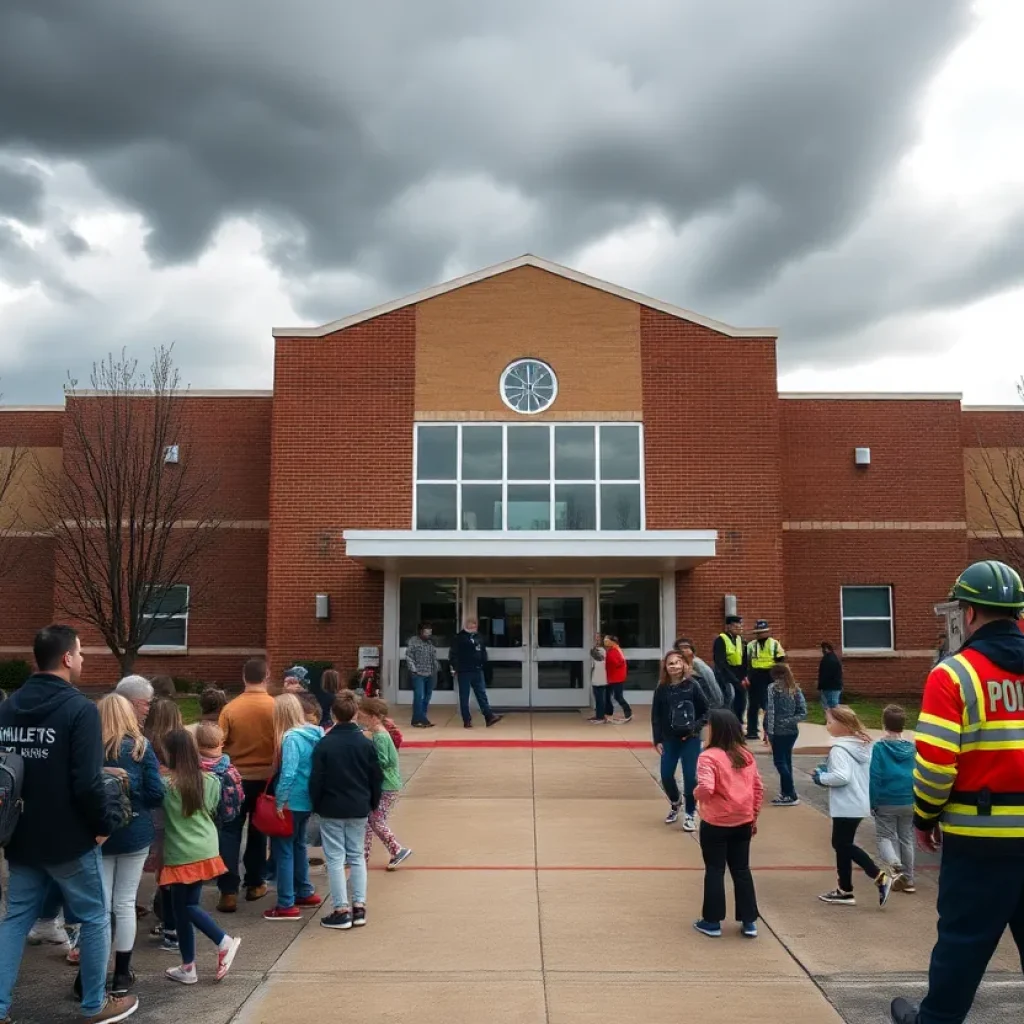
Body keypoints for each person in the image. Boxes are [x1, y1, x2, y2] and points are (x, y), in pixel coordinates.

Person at [891, 560, 1024, 1024]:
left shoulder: (953, 676)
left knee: (962, 949)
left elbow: (935, 766)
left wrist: (925, 818)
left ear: (967, 614)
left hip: (979, 842)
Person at [0, 624, 138, 1024]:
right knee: (94, 915)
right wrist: (104, 823)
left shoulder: (8, 707)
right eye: (79, 653)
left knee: (15, 918)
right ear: (66, 658)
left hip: (21, 833)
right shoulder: (79, 710)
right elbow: (87, 782)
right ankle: (95, 1004)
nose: (82, 659)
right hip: (69, 836)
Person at [159, 730, 242, 985]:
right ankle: (188, 966)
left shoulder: (165, 785)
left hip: (181, 852)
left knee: (185, 907)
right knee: (183, 907)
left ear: (170, 755)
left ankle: (223, 941)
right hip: (206, 847)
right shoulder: (210, 780)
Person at [98, 693, 165, 998]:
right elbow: (155, 792)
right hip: (134, 830)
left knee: (98, 907)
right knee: (124, 903)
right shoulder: (140, 747)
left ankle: (92, 973)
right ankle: (122, 973)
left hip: (97, 834)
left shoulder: (89, 748)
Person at [311, 691, 384, 930]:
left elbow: (316, 779)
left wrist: (316, 804)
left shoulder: (325, 744)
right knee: (356, 856)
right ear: (355, 714)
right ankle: (359, 906)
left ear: (333, 715)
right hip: (358, 806)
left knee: (334, 858)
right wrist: (372, 803)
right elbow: (376, 778)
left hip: (331, 807)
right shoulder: (365, 744)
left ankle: (340, 909)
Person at [813, 705, 893, 908]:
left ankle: (878, 876)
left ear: (843, 726)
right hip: (858, 802)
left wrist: (822, 777)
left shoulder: (840, 749)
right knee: (841, 845)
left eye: (830, 722)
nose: (827, 726)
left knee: (843, 845)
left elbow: (842, 776)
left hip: (846, 804)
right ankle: (845, 890)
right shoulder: (862, 745)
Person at [692, 709, 763, 939]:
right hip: (742, 819)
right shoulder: (745, 754)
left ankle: (712, 921)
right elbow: (757, 788)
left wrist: (696, 795)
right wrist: (753, 815)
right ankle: (749, 920)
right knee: (741, 869)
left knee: (715, 869)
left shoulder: (708, 756)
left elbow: (706, 788)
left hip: (716, 821)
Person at [217, 657, 276, 912]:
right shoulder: (275, 707)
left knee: (229, 832)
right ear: (267, 677)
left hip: (235, 779)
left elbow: (217, 746)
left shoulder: (230, 709)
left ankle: (228, 891)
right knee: (258, 832)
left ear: (244, 677)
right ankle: (255, 883)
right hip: (265, 780)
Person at [264, 693, 323, 920]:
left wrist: (279, 801)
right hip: (308, 799)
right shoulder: (315, 733)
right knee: (299, 845)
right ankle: (304, 890)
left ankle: (286, 903)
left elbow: (288, 772)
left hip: (290, 802)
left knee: (284, 850)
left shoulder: (290, 738)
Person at [651, 650, 709, 833]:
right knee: (666, 775)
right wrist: (657, 739)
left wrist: (695, 728)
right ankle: (676, 802)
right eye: (670, 663)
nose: (674, 666)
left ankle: (691, 813)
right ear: (665, 668)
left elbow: (706, 711)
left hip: (690, 739)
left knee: (691, 778)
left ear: (684, 664)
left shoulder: (693, 685)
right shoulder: (662, 688)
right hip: (669, 739)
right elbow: (656, 716)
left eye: (677, 662)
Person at [359, 697, 413, 870]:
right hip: (385, 784)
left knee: (375, 820)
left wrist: (365, 765)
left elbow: (383, 761)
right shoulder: (377, 733)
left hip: (386, 785)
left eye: (362, 716)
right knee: (370, 820)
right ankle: (362, 855)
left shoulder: (380, 736)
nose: (360, 720)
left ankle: (397, 849)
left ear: (373, 717)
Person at [870, 704, 916, 894]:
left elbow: (875, 776)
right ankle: (910, 879)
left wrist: (873, 801)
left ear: (884, 724)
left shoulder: (880, 748)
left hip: (886, 798)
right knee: (907, 838)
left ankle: (895, 864)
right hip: (908, 798)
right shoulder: (912, 748)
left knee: (884, 836)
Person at [763, 664, 807, 806]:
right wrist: (789, 721)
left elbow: (770, 711)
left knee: (780, 762)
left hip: (778, 731)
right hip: (792, 731)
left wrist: (769, 732)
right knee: (787, 761)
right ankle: (786, 793)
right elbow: (803, 712)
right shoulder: (795, 689)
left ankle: (790, 793)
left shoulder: (772, 688)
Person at [449, 618, 503, 729]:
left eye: (475, 625)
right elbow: (453, 654)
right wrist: (455, 668)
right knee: (464, 696)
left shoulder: (479, 637)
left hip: (477, 670)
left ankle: (489, 716)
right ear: (466, 625)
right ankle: (466, 720)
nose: (474, 627)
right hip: (464, 671)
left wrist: (484, 663)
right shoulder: (459, 638)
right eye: (471, 625)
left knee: (481, 694)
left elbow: (483, 651)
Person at [195, 721, 245, 832]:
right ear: (221, 743)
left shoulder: (193, 768)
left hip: (202, 816)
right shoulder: (230, 770)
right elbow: (239, 794)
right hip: (226, 814)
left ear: (196, 743)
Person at [744, 620, 785, 741]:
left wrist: (779, 676)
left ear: (767, 632)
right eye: (758, 632)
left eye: (762, 632)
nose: (760, 635)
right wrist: (747, 676)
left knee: (768, 703)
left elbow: (781, 659)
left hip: (770, 674)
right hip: (755, 675)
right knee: (753, 704)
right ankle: (752, 731)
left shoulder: (775, 644)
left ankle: (770, 730)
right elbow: (746, 662)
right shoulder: (751, 645)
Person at [675, 638, 724, 709]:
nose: (683, 650)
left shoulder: (697, 663)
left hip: (704, 700)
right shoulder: (677, 663)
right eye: (680, 648)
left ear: (692, 649)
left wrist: (716, 701)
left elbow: (711, 682)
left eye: (686, 647)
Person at [406, 622, 439, 728]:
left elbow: (434, 657)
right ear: (420, 632)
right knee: (419, 696)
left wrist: (436, 669)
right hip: (418, 674)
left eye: (430, 632)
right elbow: (409, 656)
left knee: (427, 697)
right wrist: (413, 670)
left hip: (430, 673)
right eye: (426, 631)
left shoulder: (431, 643)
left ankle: (420, 718)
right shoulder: (413, 641)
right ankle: (419, 719)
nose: (428, 634)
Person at [712, 615, 746, 718]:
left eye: (740, 626)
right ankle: (727, 723)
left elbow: (744, 659)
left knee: (741, 701)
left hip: (738, 673)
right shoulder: (721, 640)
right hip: (725, 674)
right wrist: (733, 679)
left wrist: (744, 676)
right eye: (736, 626)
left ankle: (738, 723)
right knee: (729, 699)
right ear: (729, 627)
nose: (739, 628)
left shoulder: (740, 640)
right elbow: (720, 662)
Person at [603, 635, 633, 723]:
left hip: (616, 678)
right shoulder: (611, 650)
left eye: (607, 641)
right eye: (604, 641)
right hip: (611, 677)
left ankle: (628, 712)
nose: (605, 642)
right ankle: (608, 713)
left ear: (612, 642)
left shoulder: (615, 650)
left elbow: (619, 662)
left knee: (617, 696)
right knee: (607, 695)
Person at [587, 634, 609, 723]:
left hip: (601, 677)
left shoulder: (602, 651)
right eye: (595, 638)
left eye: (598, 638)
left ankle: (601, 716)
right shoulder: (596, 650)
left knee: (600, 698)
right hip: (595, 677)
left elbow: (598, 657)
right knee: (597, 697)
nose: (596, 640)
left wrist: (593, 651)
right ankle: (598, 715)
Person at [818, 641, 843, 710]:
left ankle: (832, 720)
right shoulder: (832, 658)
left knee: (832, 709)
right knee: (830, 708)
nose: (822, 651)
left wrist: (821, 687)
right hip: (832, 687)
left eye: (823, 649)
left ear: (826, 648)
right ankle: (830, 720)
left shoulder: (829, 659)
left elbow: (826, 675)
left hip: (830, 688)